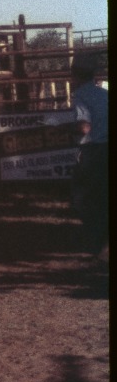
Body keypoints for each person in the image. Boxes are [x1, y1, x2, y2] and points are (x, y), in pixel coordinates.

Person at [70, 61, 108, 254]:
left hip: (94, 150)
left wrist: (70, 130)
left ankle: (97, 241)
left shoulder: (80, 96)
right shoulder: (104, 94)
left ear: (75, 77)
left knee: (84, 197)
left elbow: (84, 126)